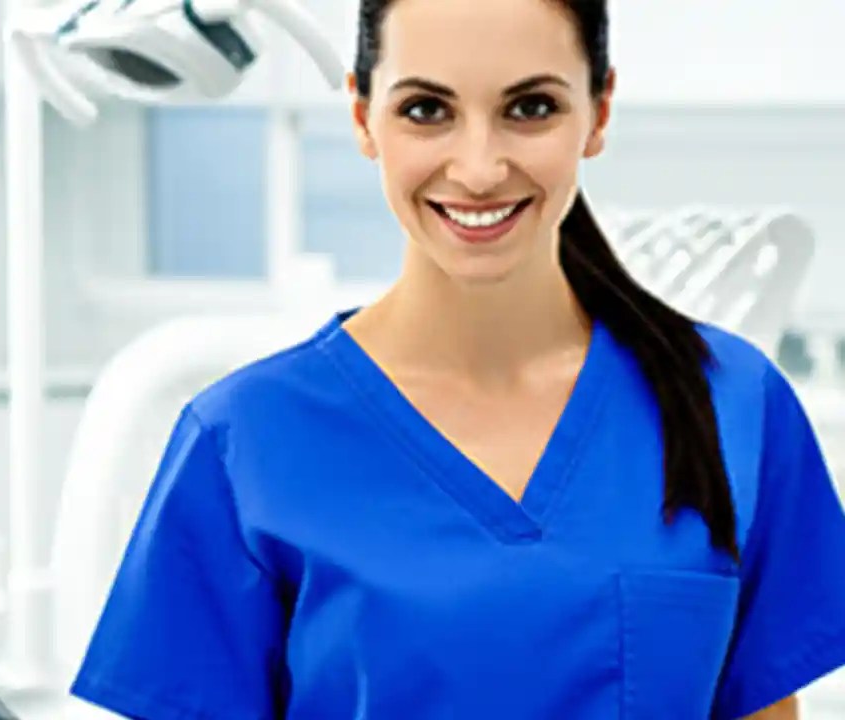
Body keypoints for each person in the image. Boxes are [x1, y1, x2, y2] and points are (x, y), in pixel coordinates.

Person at [68, 0, 845, 717]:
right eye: (426, 110)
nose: (478, 168)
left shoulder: (733, 404)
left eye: (530, 107)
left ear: (599, 111)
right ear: (364, 117)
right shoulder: (244, 442)